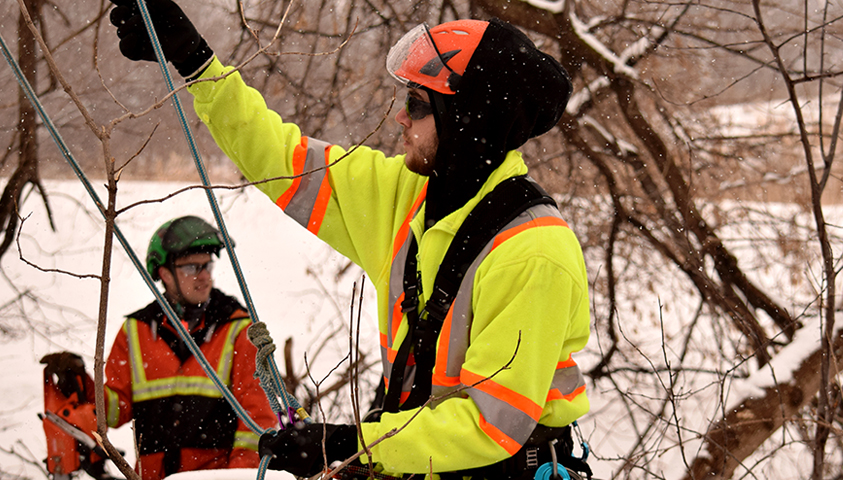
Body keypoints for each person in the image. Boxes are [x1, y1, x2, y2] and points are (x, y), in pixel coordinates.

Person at [107, 1, 593, 479]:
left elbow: (490, 426)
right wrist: (195, 61)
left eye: (418, 106)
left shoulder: (533, 252)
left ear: (468, 122)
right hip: (409, 465)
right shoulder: (405, 198)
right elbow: (279, 157)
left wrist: (347, 445)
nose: (401, 118)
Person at [44, 216, 277, 480]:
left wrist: (239, 477)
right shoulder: (136, 331)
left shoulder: (238, 329)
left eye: (207, 266)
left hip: (215, 476)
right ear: (165, 273)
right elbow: (117, 408)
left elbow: (258, 420)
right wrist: (83, 385)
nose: (204, 277)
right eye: (192, 268)